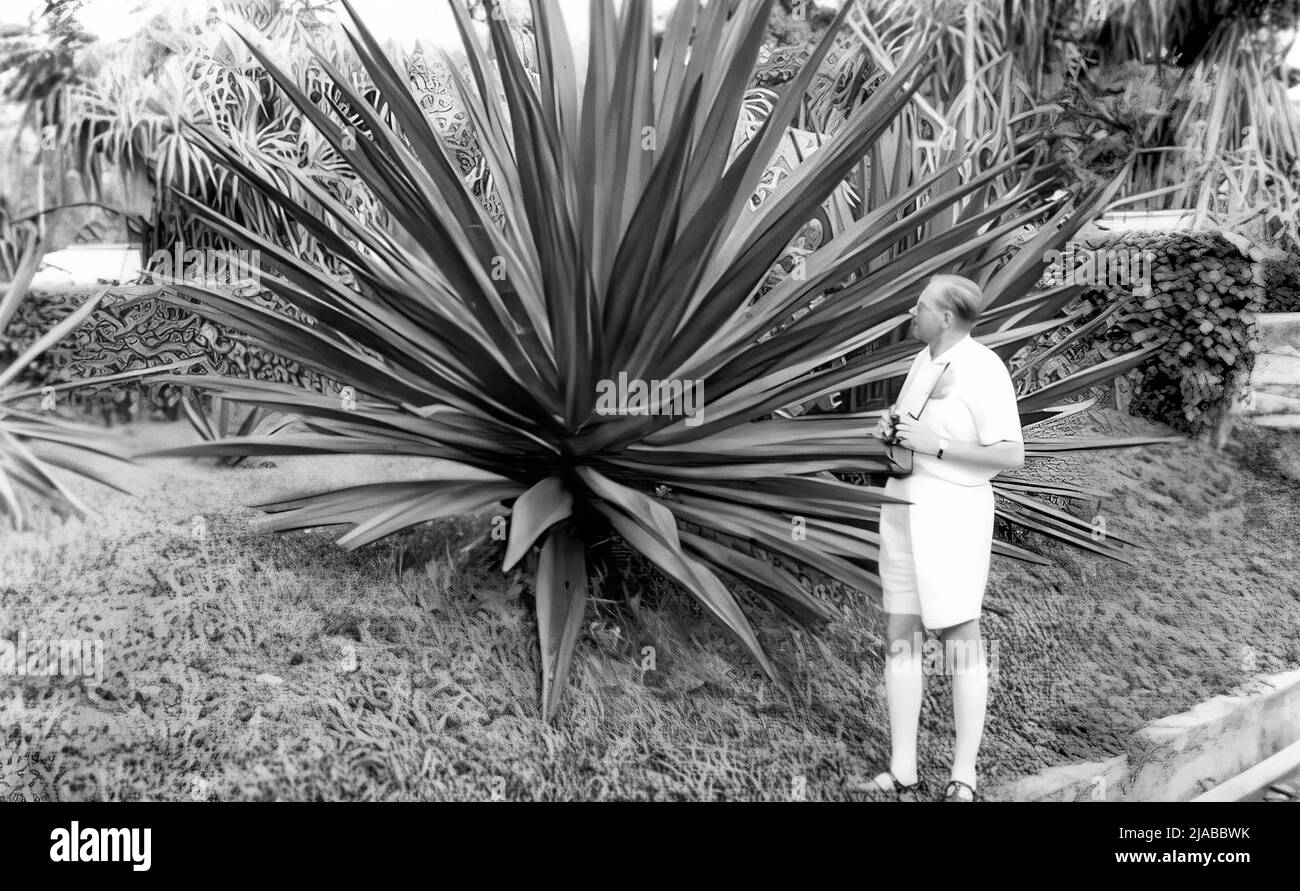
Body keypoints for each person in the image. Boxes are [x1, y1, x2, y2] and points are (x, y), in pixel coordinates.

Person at [861, 273, 1025, 802]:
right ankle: (902, 770)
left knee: (960, 641)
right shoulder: (922, 361)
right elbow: (917, 431)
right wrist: (894, 430)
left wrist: (934, 446)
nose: (913, 311)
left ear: (947, 316)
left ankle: (964, 776)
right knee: (901, 634)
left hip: (953, 517)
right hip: (905, 509)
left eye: (921, 306)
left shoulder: (984, 367)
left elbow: (1009, 454)